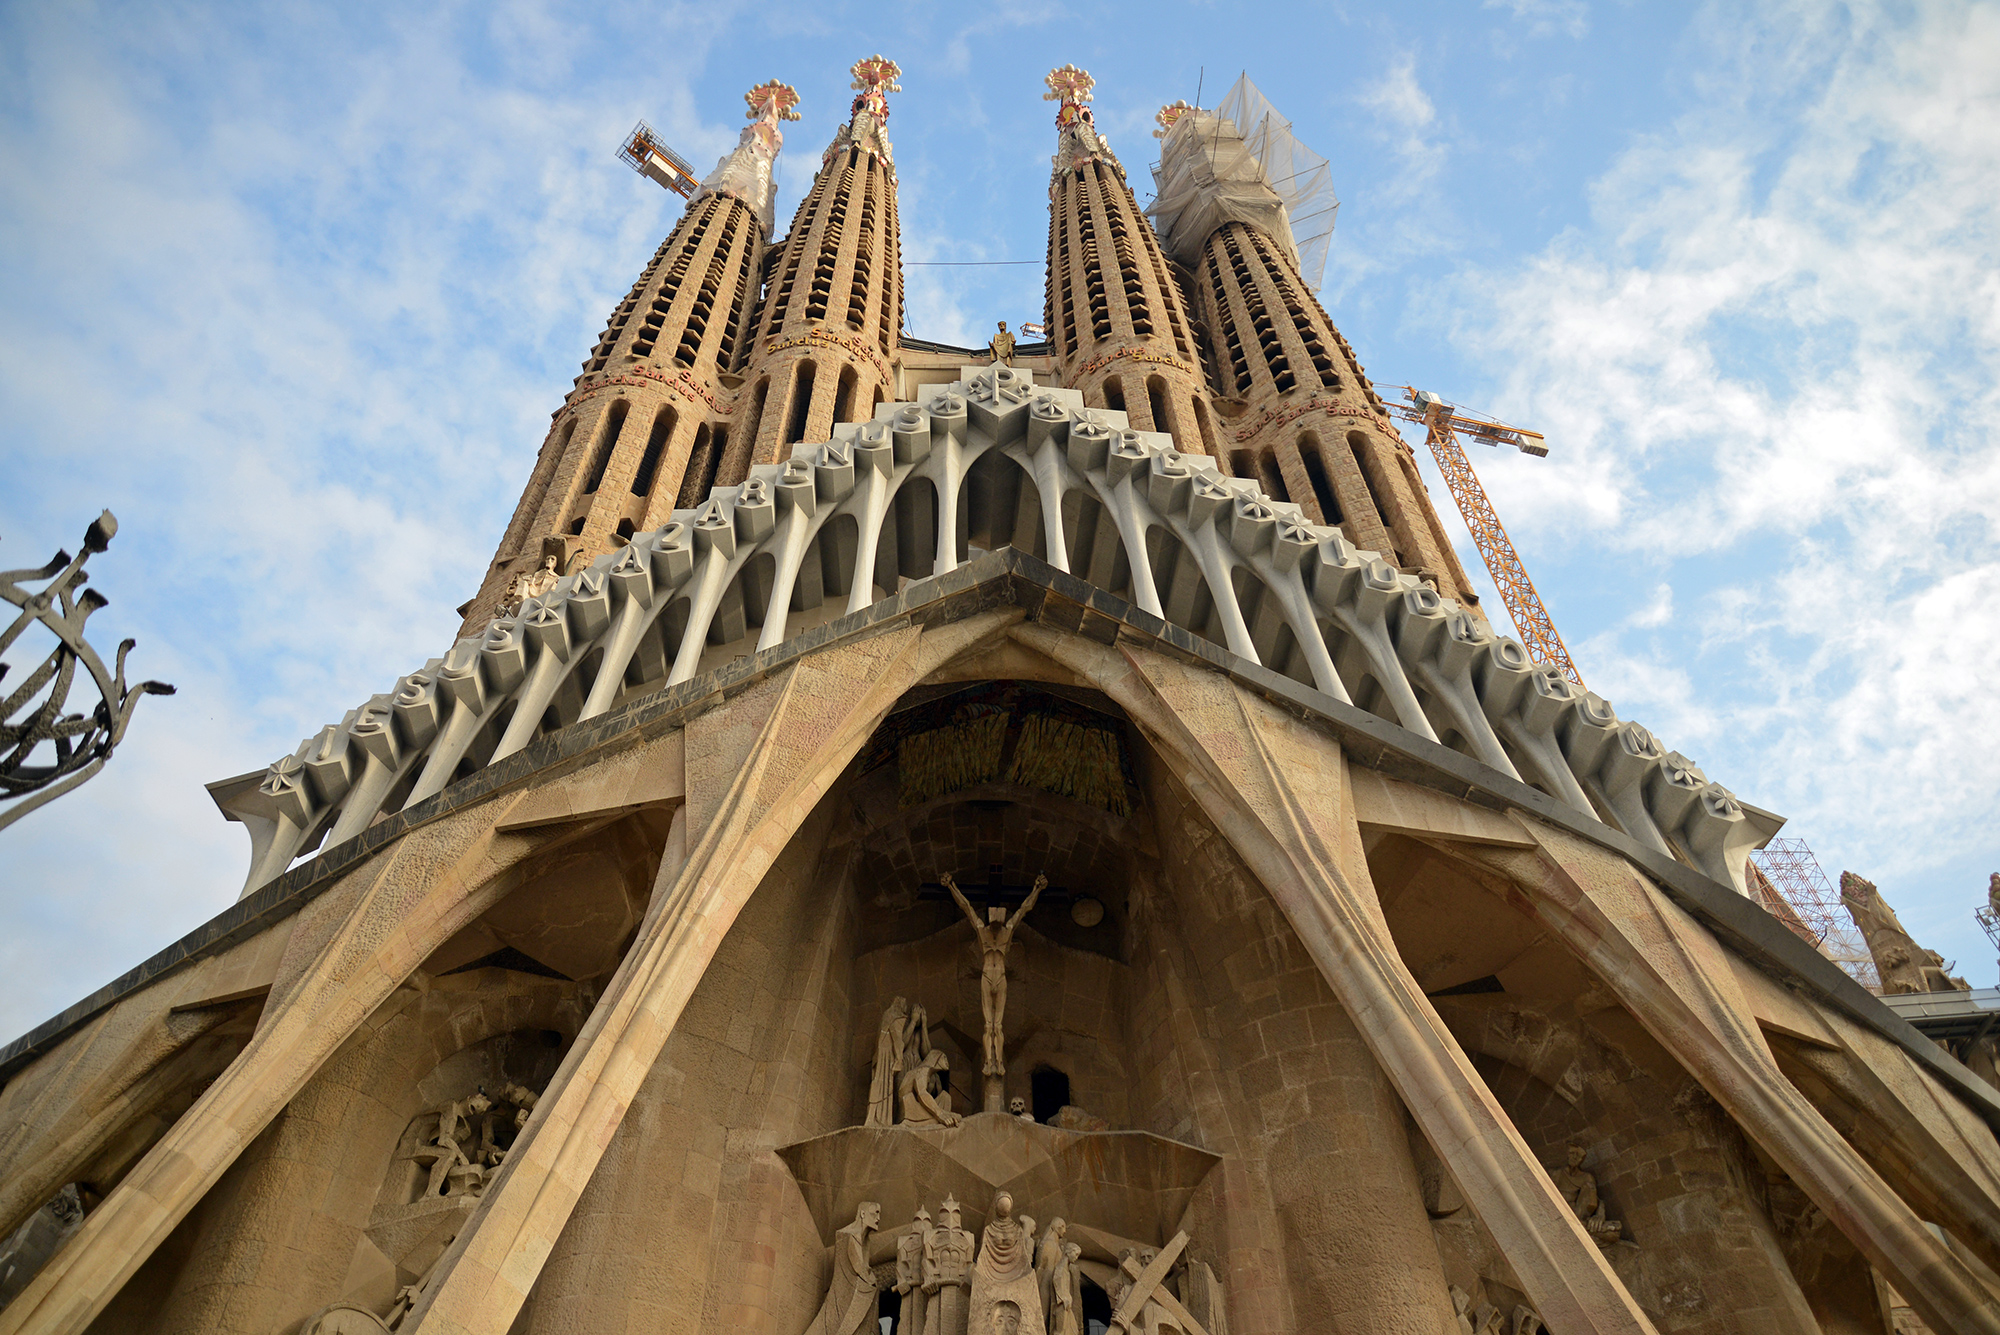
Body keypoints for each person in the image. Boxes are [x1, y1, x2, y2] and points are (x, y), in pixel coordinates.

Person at [943, 873, 1046, 1077]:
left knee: (997, 1026)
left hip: (999, 977)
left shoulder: (1008, 931)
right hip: (987, 976)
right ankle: (988, 1062)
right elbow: (966, 907)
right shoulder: (982, 930)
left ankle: (998, 1062)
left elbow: (1024, 908)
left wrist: (1037, 889)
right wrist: (951, 886)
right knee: (988, 1025)